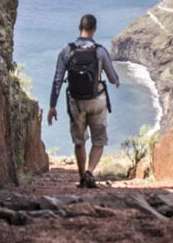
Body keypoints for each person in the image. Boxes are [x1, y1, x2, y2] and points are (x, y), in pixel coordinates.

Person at [47, 13, 120, 187]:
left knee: (79, 142)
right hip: (97, 102)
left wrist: (52, 106)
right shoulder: (100, 51)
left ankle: (82, 179)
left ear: (80, 28)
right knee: (99, 140)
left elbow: (57, 80)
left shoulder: (67, 50)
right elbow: (112, 78)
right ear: (94, 29)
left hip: (76, 103)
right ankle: (90, 172)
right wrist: (116, 81)